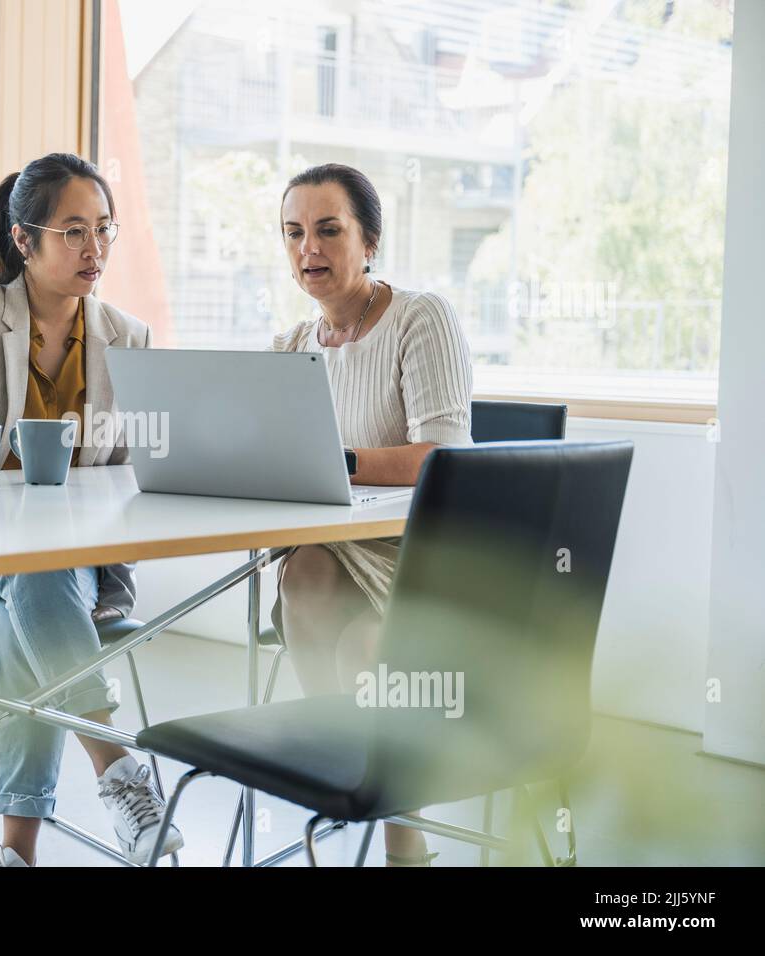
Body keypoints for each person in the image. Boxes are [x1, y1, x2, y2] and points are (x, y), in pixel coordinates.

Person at [0, 152, 182, 867]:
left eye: (105, 230)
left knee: (12, 618)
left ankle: (14, 854)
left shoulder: (128, 337)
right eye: (75, 231)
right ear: (25, 240)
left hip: (59, 575)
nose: (96, 249)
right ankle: (118, 772)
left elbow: (145, 467)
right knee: (28, 575)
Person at [271, 162, 473, 866]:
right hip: (332, 549)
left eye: (329, 230)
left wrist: (336, 457)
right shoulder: (291, 348)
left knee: (366, 649)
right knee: (303, 574)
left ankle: (401, 834)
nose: (309, 250)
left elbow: (438, 458)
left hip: (422, 558)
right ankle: (342, 765)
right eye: (294, 233)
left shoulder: (420, 317)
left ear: (370, 240)